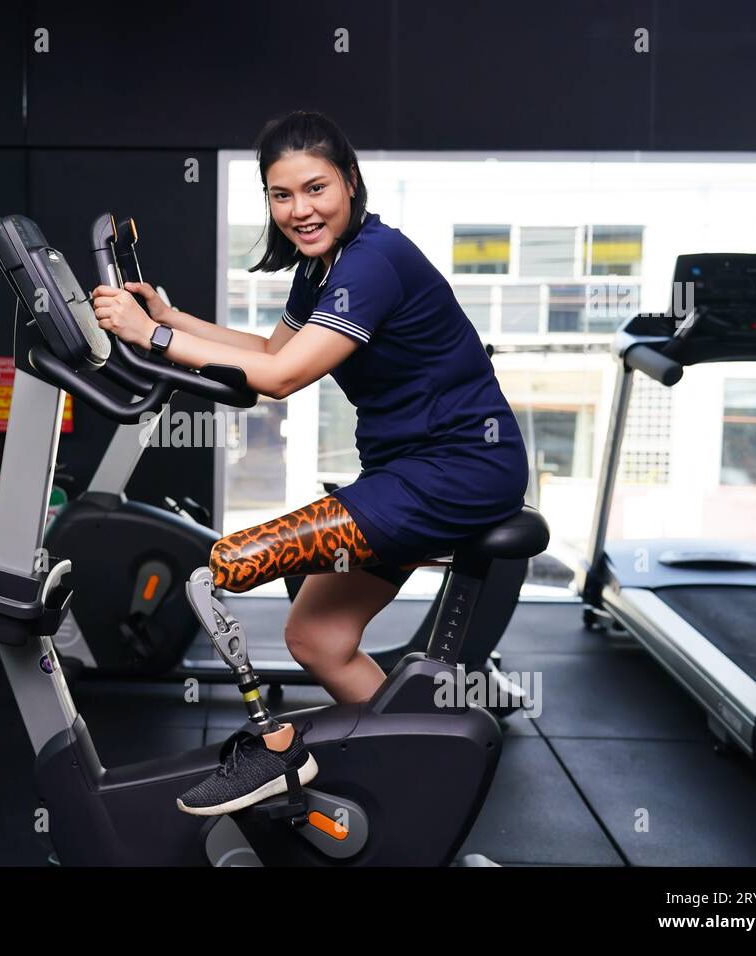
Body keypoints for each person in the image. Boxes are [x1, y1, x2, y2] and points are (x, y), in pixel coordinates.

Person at [91, 110, 529, 815]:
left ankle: (277, 749)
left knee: (230, 564)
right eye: (281, 195)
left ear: (351, 184)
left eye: (316, 188)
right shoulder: (323, 269)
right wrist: (168, 318)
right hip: (404, 475)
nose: (300, 210)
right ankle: (430, 775)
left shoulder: (375, 261)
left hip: (457, 470)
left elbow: (284, 379)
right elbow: (268, 352)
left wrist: (155, 335)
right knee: (317, 637)